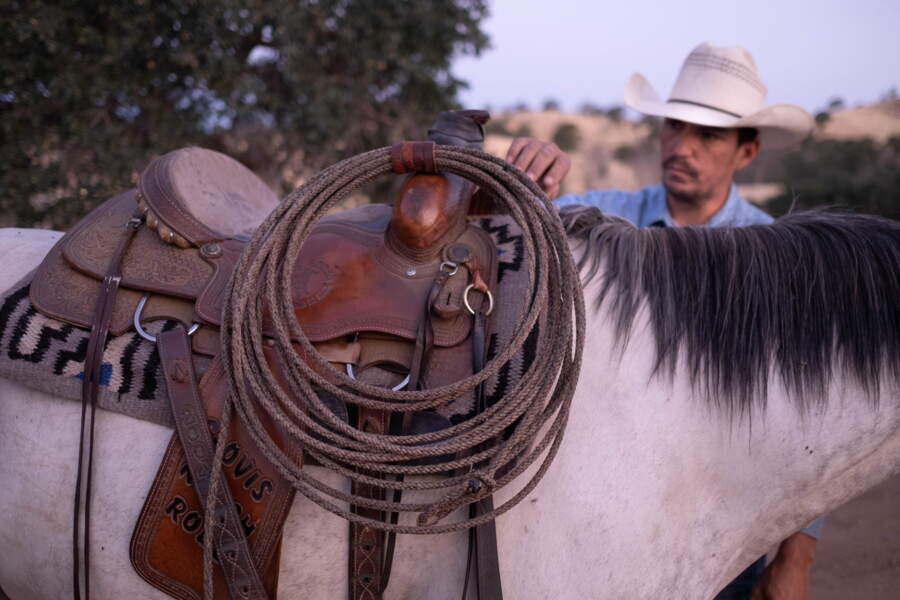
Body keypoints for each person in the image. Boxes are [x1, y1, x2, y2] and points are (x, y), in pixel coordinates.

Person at [503, 42, 823, 600]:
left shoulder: (777, 257)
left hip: (726, 532)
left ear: (746, 152)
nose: (684, 147)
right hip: (603, 522)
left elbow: (807, 415)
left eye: (709, 136)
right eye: (675, 127)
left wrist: (794, 561)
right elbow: (516, 232)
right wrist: (527, 185)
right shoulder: (602, 217)